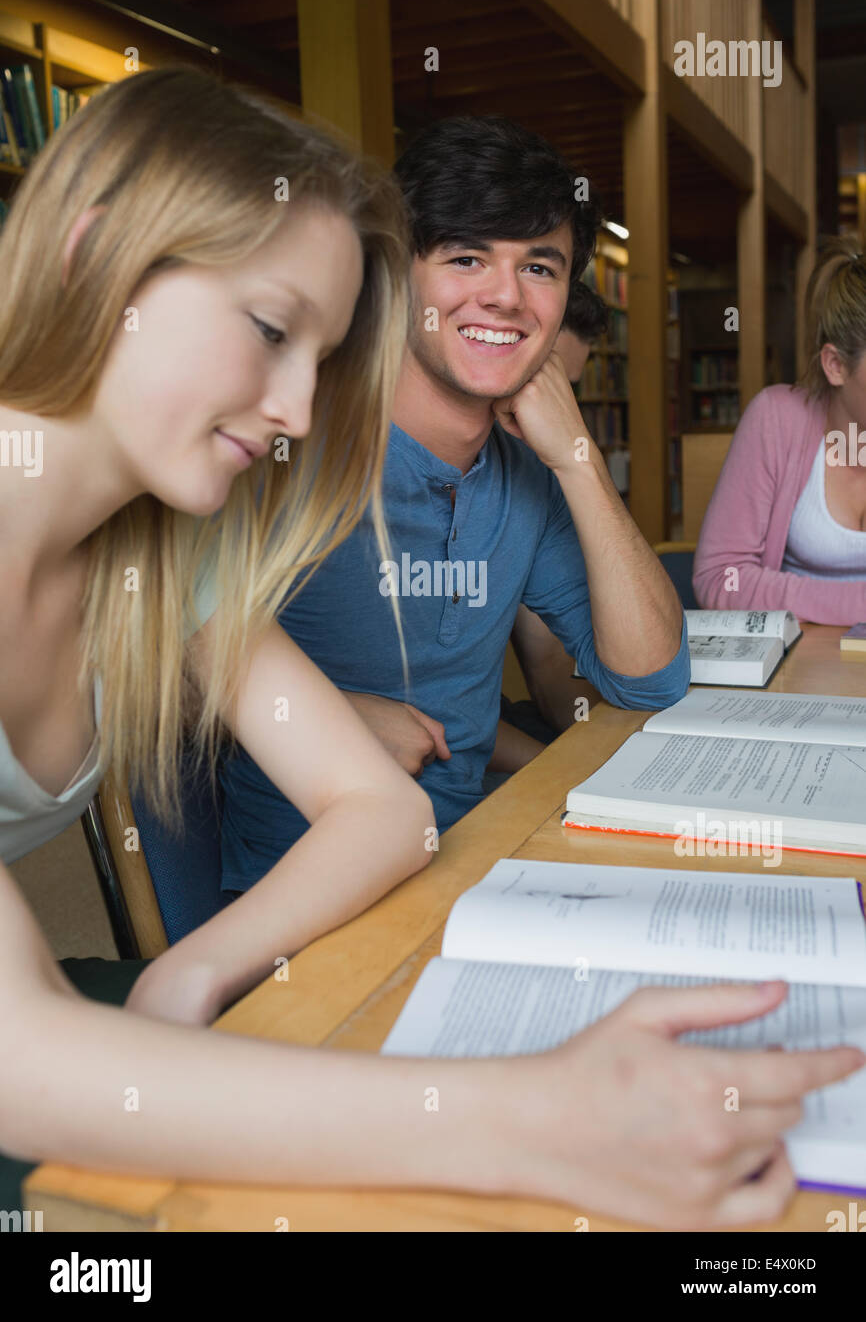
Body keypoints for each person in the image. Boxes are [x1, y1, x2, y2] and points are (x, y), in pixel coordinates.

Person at [1, 74, 861, 1233]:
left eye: (318, 349)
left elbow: (395, 806)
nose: (300, 412)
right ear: (93, 260)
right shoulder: (200, 522)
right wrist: (531, 1121)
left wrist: (182, 974)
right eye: (267, 328)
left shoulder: (162, 554)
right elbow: (29, 1064)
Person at [219, 115, 690, 893]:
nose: (505, 296)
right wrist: (325, 713)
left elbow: (651, 681)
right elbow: (157, 646)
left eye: (540, 268)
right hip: (301, 898)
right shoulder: (288, 439)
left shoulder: (528, 478)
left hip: (475, 864)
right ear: (398, 274)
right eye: (467, 257)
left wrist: (579, 462)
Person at [694, 237, 866, 622]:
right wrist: (855, 604)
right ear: (835, 365)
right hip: (799, 666)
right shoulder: (777, 419)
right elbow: (722, 577)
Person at [491, 280, 610, 777]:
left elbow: (548, 664)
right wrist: (558, 774)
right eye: (533, 375)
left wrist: (605, 745)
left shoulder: (529, 479)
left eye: (562, 388)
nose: (540, 407)